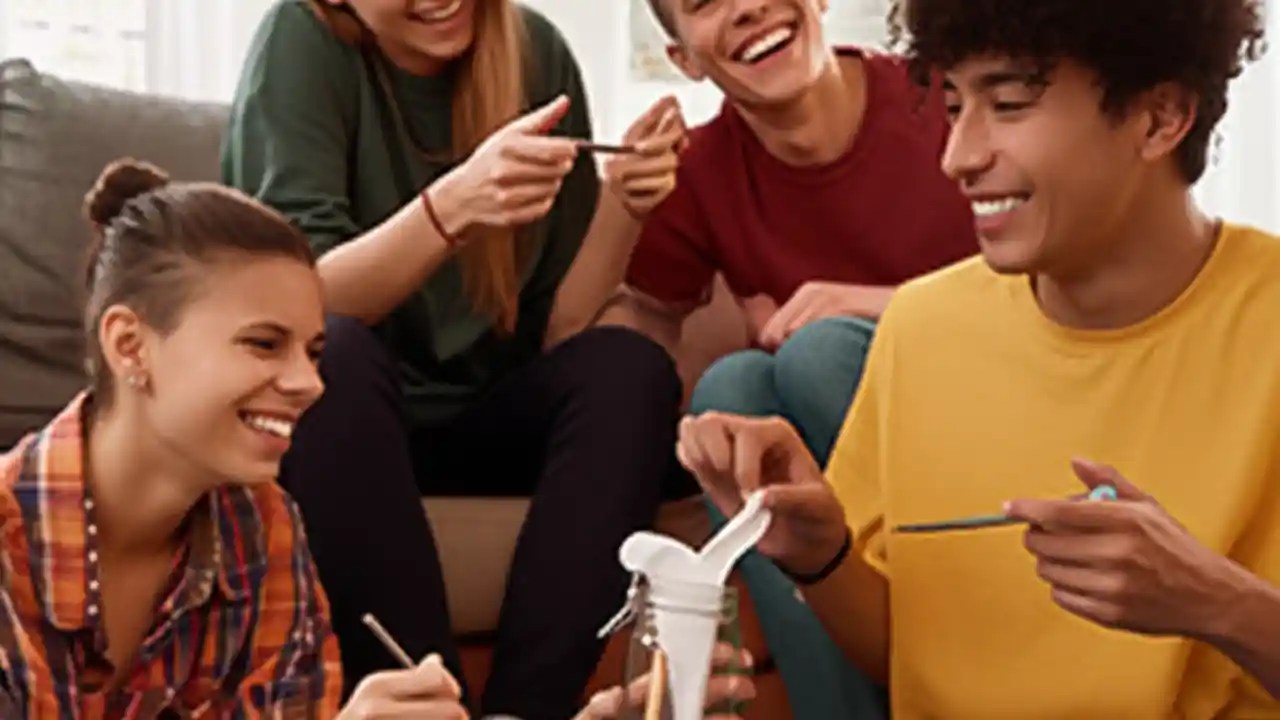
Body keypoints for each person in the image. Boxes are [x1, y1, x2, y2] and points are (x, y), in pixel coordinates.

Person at [677, 0, 1280, 714]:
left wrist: (1220, 605)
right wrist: (823, 555)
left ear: (1159, 118)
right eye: (955, 104)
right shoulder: (923, 326)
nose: (957, 155)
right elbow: (902, 651)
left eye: (1011, 103)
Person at [222, 1, 691, 717]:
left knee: (629, 369)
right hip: (346, 423)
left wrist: (623, 207)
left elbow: (559, 334)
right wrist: (449, 210)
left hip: (485, 415)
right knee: (335, 356)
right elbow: (292, 314)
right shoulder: (302, 43)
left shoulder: (536, 52)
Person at [610, 0, 977, 715]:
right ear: (685, 59)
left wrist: (880, 305)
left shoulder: (949, 97)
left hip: (990, 400)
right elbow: (628, 326)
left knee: (817, 355)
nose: (747, 6)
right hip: (840, 429)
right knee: (730, 391)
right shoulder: (702, 170)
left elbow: (1062, 282)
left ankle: (949, 678)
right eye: (704, 3)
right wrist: (616, 204)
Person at [0, 158, 456, 718]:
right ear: (129, 346)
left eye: (313, 353)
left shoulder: (266, 530)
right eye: (264, 344)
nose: (310, 384)